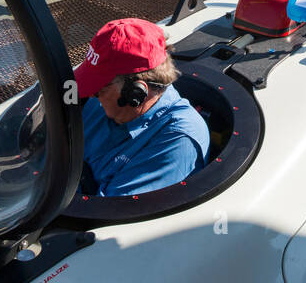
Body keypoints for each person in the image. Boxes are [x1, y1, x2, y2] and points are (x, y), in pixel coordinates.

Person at [72, 17, 211, 197]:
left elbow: (111, 214)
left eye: (98, 89)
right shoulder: (104, 102)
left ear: (135, 93)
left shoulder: (177, 141)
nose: (91, 95)